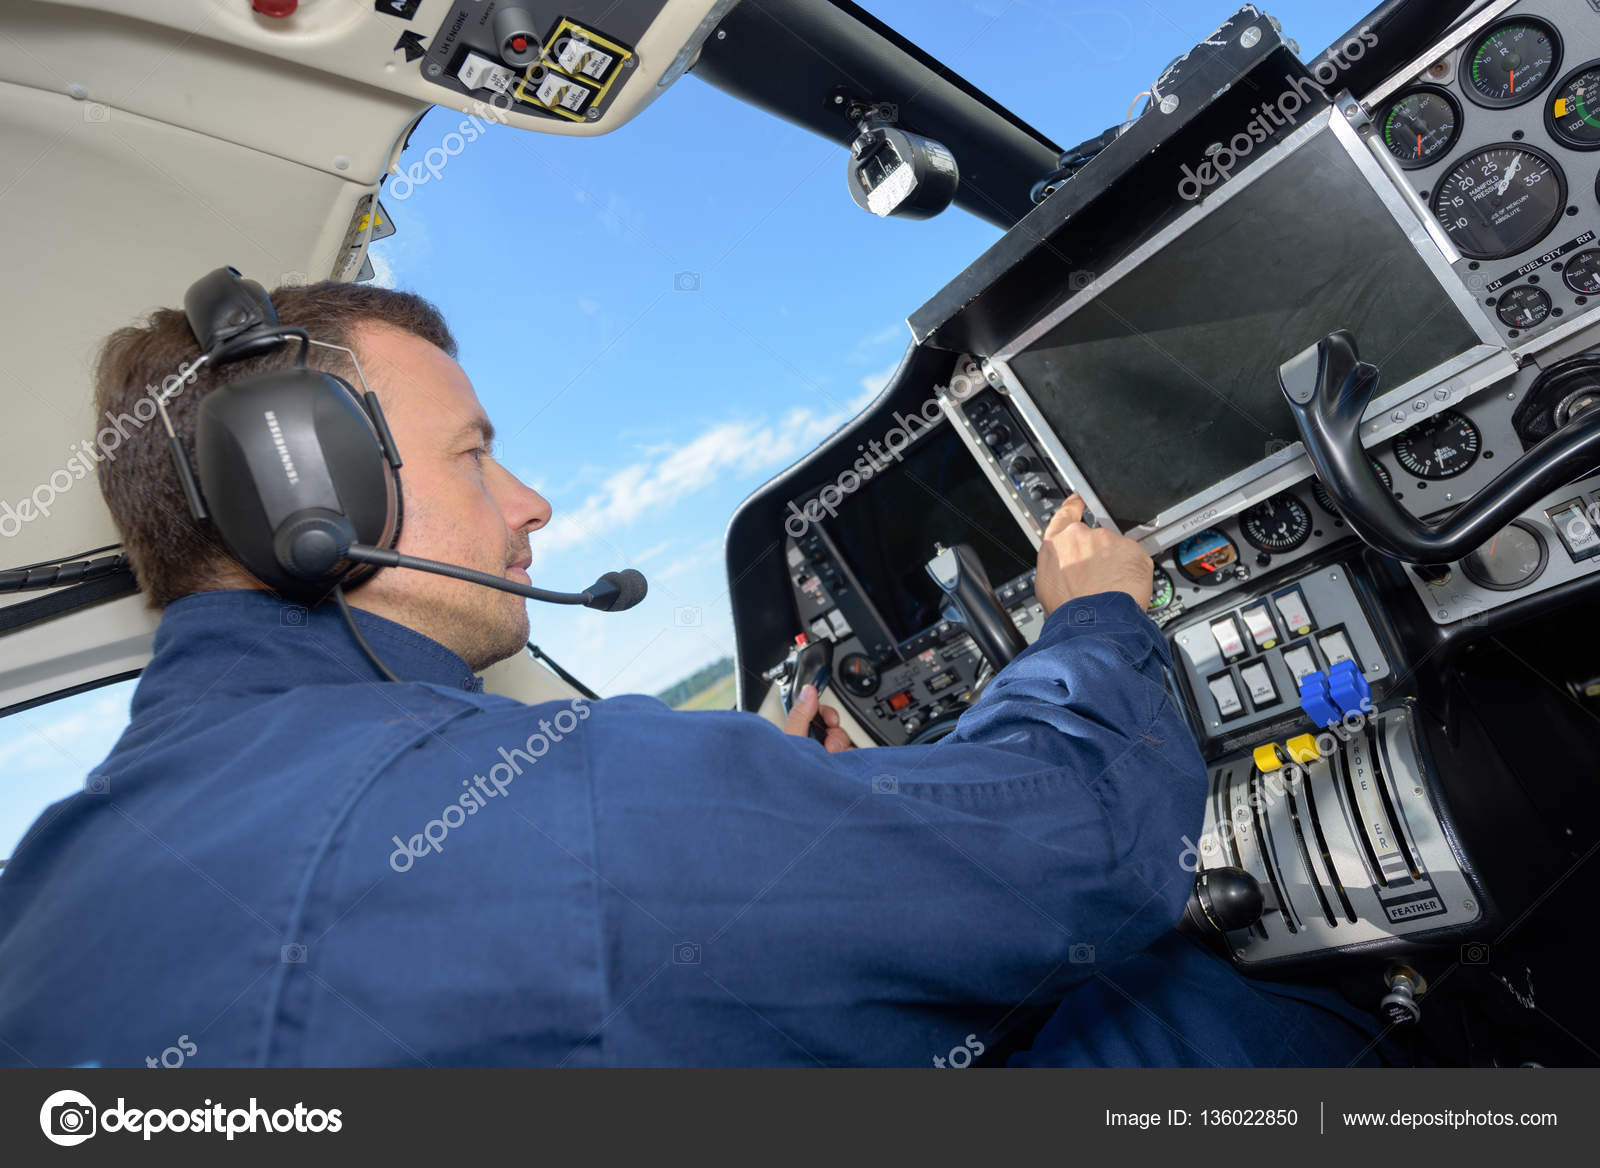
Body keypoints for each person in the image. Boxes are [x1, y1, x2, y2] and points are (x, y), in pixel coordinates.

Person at [0, 282, 1379, 1067]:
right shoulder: (535, 813)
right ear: (308, 493)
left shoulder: (45, 889)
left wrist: (762, 797)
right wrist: (1094, 625)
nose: (529, 501)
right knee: (1160, 1010)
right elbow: (1078, 851)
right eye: (475, 453)